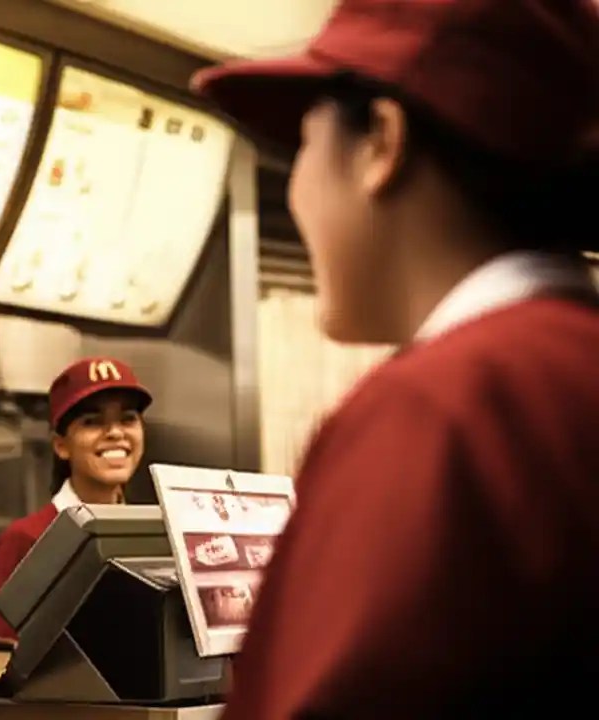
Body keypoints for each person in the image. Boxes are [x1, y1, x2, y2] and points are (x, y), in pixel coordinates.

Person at [189, 0, 599, 716]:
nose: (298, 189)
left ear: (382, 141)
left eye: (304, 144)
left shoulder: (442, 407)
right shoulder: (570, 367)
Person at [0, 357, 151, 640]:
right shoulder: (28, 539)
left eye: (127, 418)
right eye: (92, 422)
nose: (115, 433)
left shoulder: (153, 535)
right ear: (61, 445)